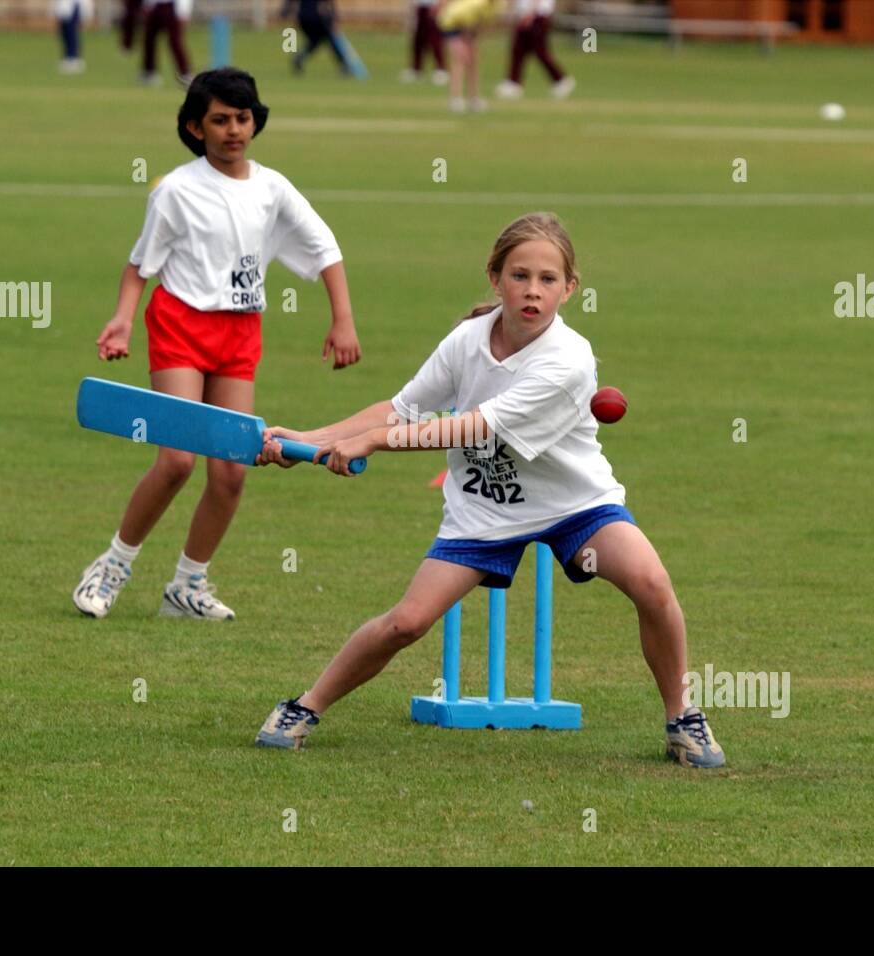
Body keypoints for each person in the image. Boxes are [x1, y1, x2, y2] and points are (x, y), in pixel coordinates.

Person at [253, 212, 726, 769]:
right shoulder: (467, 341)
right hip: (486, 509)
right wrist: (308, 439)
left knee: (651, 581)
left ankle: (682, 719)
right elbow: (404, 408)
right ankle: (303, 708)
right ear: (495, 277)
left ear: (570, 288)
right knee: (407, 622)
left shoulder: (569, 361)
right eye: (519, 275)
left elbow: (474, 426)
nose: (532, 291)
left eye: (548, 280)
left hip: (574, 505)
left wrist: (376, 442)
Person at [73, 68, 363, 622]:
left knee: (231, 470)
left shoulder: (272, 187)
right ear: (194, 127)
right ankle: (113, 564)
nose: (234, 129)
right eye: (220, 119)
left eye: (243, 117)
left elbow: (324, 246)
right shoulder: (177, 191)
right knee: (178, 459)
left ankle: (188, 585)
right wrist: (121, 320)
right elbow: (141, 265)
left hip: (239, 332)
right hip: (181, 324)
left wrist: (342, 319)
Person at [495, 0, 575, 100]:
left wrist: (530, 14)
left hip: (536, 16)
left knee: (540, 51)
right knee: (518, 51)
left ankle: (561, 80)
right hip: (529, 15)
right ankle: (513, 83)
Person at [435, 0, 498, 113]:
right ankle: (455, 99)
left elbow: (482, 23)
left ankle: (474, 99)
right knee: (460, 59)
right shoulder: (477, 4)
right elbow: (465, 23)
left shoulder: (496, 5)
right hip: (451, 24)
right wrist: (467, 38)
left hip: (468, 27)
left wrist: (475, 36)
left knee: (473, 61)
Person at [282, 0, 351, 75]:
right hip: (316, 17)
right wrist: (333, 20)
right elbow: (329, 4)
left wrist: (285, 12)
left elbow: (290, 2)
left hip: (303, 19)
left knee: (315, 40)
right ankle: (344, 65)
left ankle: (299, 58)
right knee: (329, 38)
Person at [141, 0, 193, 87]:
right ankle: (149, 71)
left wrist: (184, 12)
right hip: (155, 6)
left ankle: (185, 73)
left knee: (175, 42)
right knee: (149, 40)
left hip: (172, 7)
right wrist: (147, 4)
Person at [401, 0, 449, 85]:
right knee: (418, 40)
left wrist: (439, 5)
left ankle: (440, 69)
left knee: (435, 40)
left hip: (433, 6)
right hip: (420, 7)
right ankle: (416, 68)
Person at [56, 0, 92, 74]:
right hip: (63, 6)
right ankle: (67, 57)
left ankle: (74, 58)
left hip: (74, 6)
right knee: (65, 34)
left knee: (72, 33)